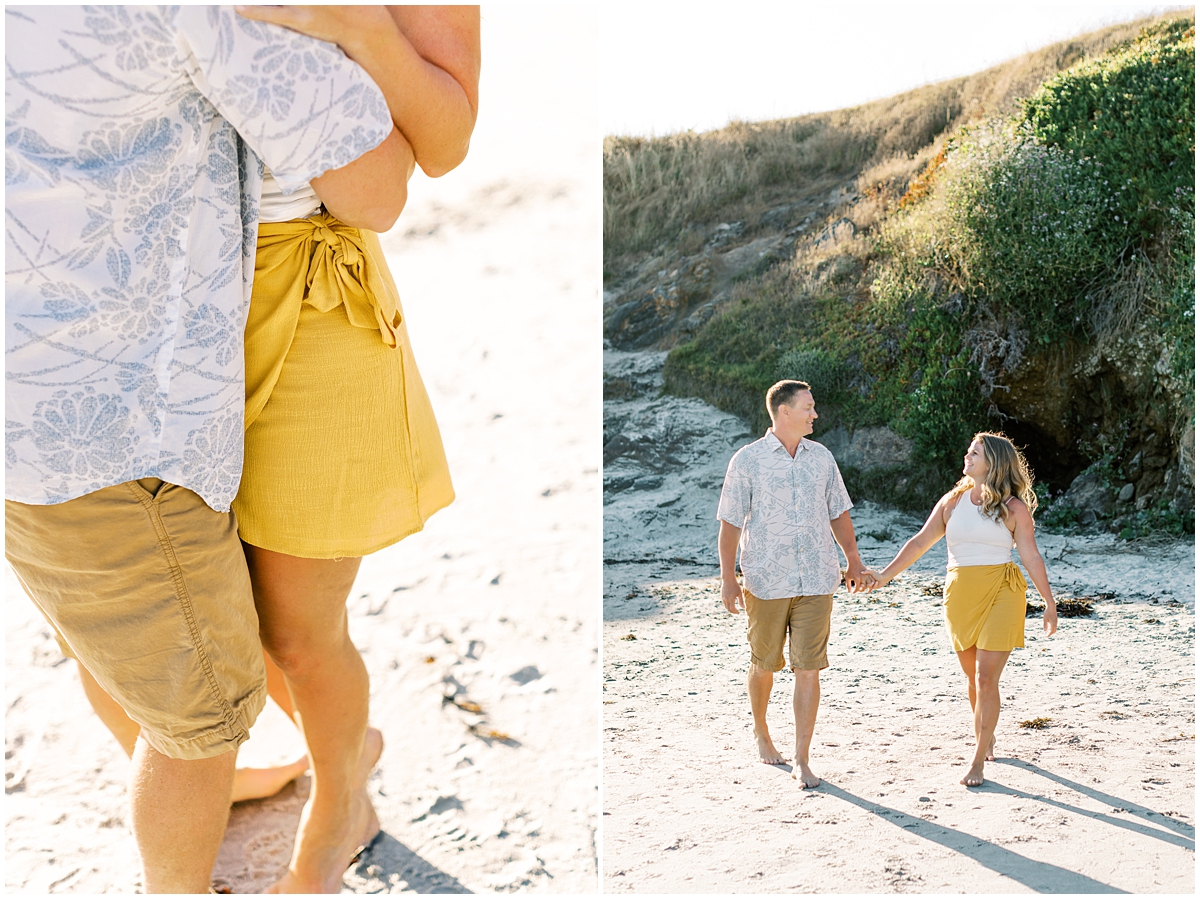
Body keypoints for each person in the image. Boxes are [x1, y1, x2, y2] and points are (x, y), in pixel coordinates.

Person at [44, 6, 482, 892]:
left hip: (304, 280)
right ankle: (221, 760)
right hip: (139, 288)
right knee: (137, 620)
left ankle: (339, 805)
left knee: (297, 627)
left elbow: (441, 143)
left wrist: (361, 27)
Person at [862, 432, 1058, 787]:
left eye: (975, 452)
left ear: (993, 462)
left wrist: (1048, 601)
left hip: (1002, 590)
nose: (967, 456)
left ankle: (978, 759)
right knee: (973, 680)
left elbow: (1030, 554)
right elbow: (921, 541)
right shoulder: (952, 502)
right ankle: (988, 735)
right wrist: (885, 576)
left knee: (986, 678)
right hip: (960, 594)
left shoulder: (1014, 508)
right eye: (968, 450)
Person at [717, 380, 868, 788]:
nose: (814, 414)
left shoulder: (822, 458)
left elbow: (838, 512)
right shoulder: (746, 461)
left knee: (809, 667)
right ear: (784, 410)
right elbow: (730, 524)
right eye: (808, 406)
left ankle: (803, 758)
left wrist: (852, 558)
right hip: (765, 580)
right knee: (764, 663)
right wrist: (728, 578)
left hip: (818, 577)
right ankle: (762, 734)